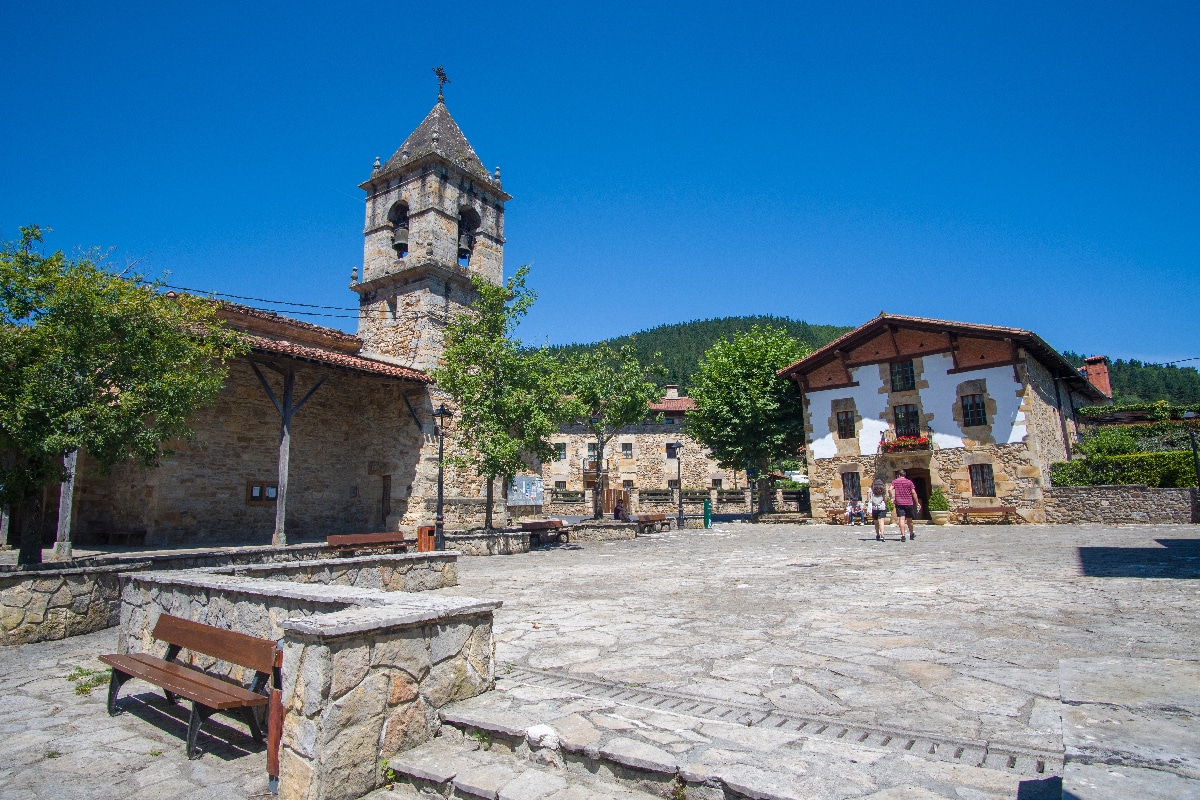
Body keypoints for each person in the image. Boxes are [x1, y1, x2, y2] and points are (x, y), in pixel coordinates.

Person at [890, 470, 919, 541]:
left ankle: (903, 536)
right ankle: (911, 534)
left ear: (899, 475)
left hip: (899, 503)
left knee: (901, 519)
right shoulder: (909, 482)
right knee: (910, 520)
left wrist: (891, 498)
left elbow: (890, 489)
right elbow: (913, 492)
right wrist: (917, 502)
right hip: (909, 503)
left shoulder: (895, 481)